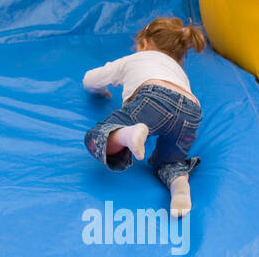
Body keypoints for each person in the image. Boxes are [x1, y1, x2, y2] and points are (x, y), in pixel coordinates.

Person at [82, 16, 206, 218]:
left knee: (96, 136)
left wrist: (99, 90)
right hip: (192, 111)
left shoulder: (135, 58)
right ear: (179, 56)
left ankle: (127, 134)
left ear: (145, 44)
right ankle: (180, 187)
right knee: (169, 162)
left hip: (153, 98)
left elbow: (90, 79)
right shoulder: (179, 71)